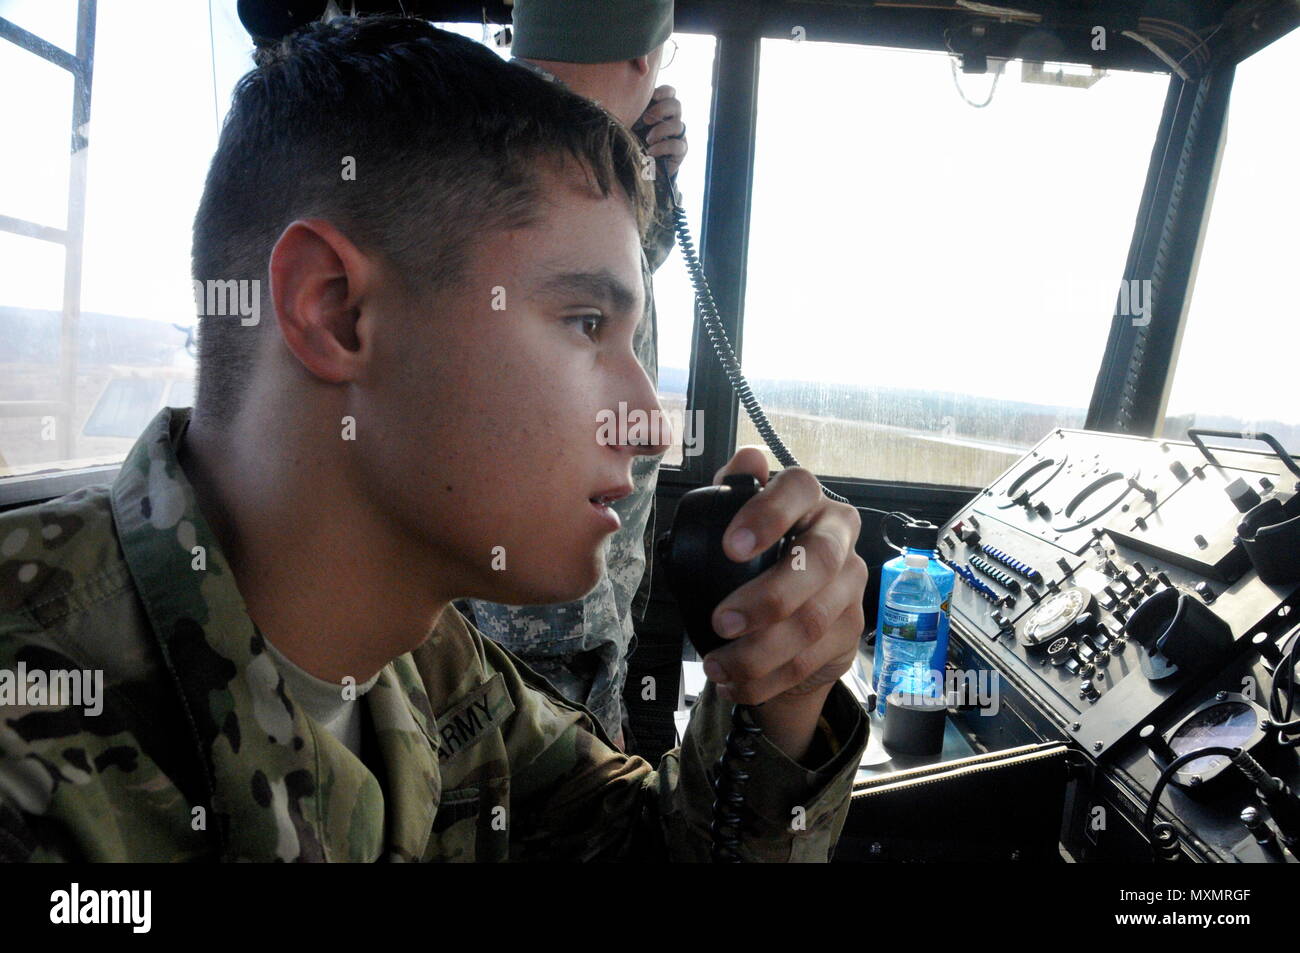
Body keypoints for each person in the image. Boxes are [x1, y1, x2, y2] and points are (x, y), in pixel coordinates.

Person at [0, 16, 869, 862]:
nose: (647, 428)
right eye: (584, 322)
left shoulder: (430, 666)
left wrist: (786, 697)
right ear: (336, 311)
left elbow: (649, 845)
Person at [468, 0, 686, 748]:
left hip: (540, 631)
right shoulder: (533, 160)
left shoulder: (495, 137)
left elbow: (600, 284)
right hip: (539, 640)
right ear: (642, 59)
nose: (649, 425)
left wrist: (652, 176)